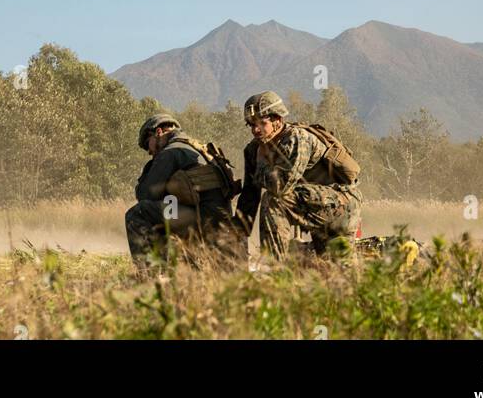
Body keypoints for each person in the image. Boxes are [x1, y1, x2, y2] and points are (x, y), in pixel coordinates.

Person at [236, 91, 362, 260]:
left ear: (278, 120)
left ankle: (275, 271)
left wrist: (260, 163)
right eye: (251, 124)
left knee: (273, 200)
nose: (255, 130)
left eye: (261, 123)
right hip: (313, 208)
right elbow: (249, 196)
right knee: (334, 274)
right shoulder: (253, 149)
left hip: (341, 207)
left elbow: (280, 187)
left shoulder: (298, 139)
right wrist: (236, 235)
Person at [125, 113, 240, 269]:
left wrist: (148, 171)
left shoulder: (171, 152)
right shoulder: (195, 146)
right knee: (165, 208)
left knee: (138, 212)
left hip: (202, 220)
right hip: (219, 223)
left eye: (147, 144)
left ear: (158, 132)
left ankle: (149, 275)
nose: (149, 151)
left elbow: (145, 194)